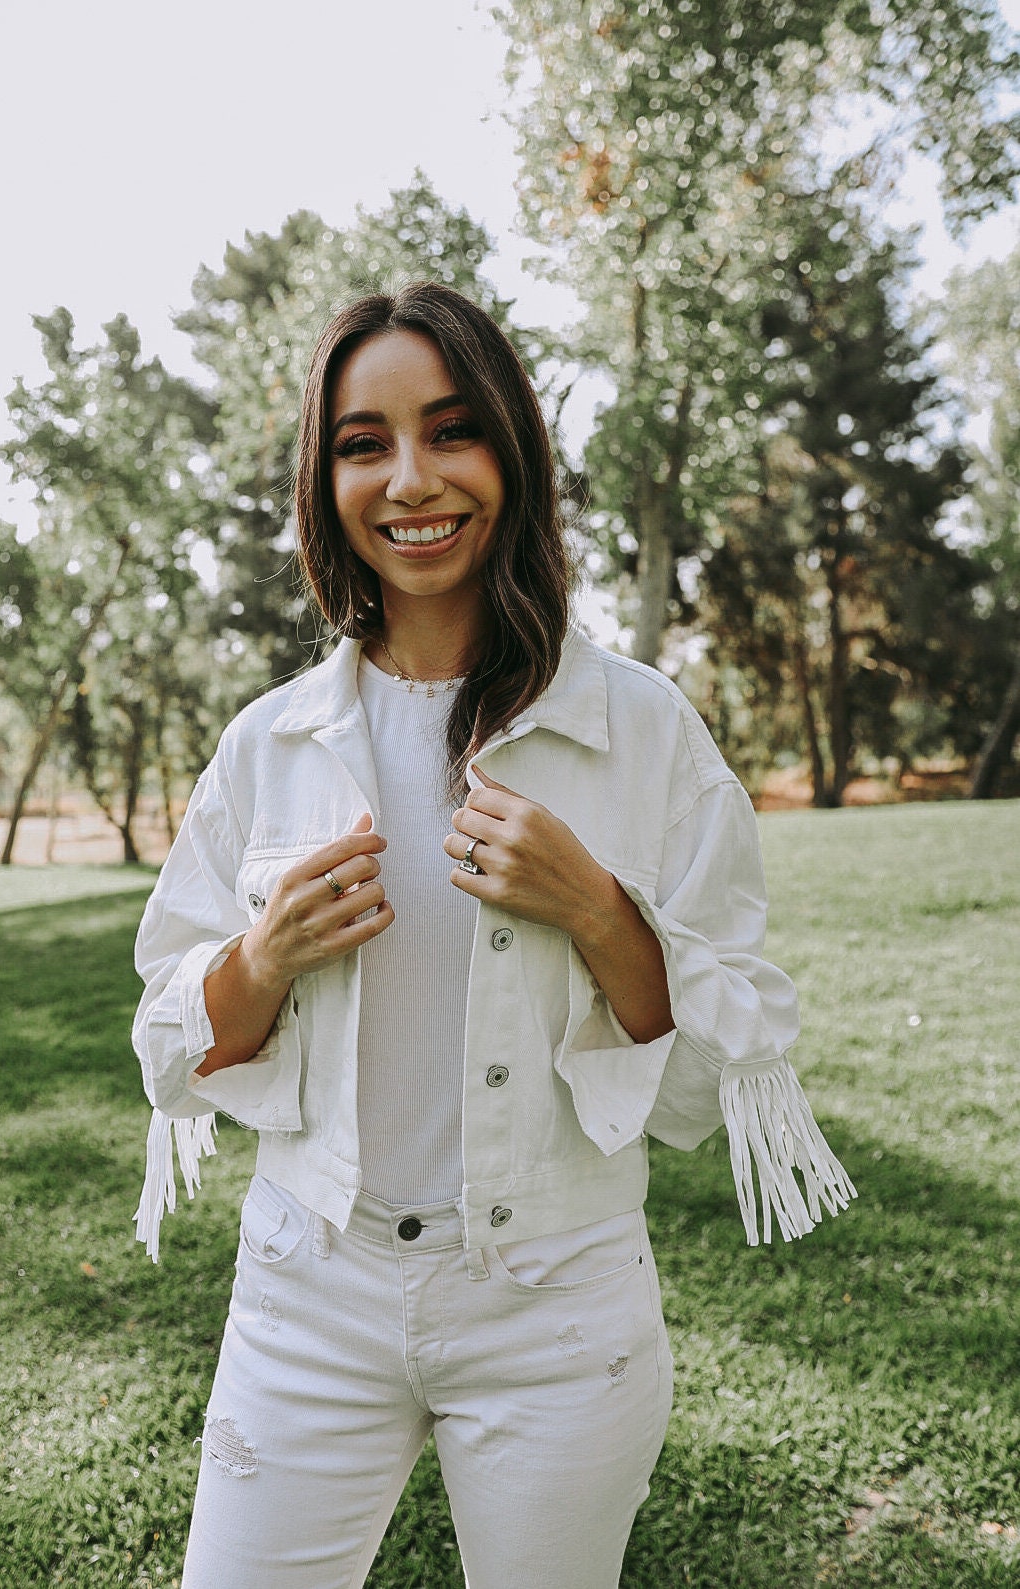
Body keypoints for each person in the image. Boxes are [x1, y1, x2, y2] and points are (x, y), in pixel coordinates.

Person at [131, 281, 854, 1589]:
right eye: (364, 443)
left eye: (451, 429)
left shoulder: (641, 729)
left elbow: (702, 1089)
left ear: (511, 451)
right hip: (306, 1295)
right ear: (325, 482)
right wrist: (263, 957)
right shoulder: (267, 744)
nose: (410, 479)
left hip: (558, 1313)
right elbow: (171, 1056)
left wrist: (597, 910)